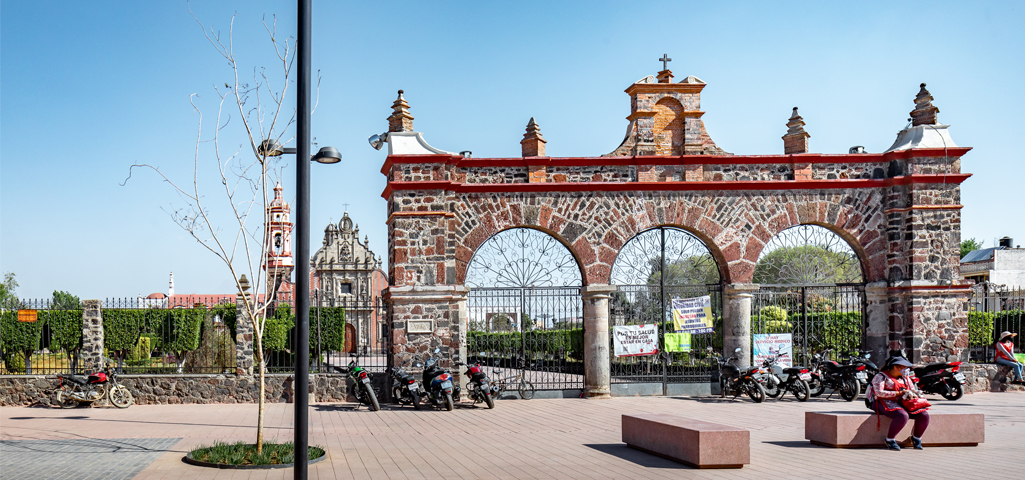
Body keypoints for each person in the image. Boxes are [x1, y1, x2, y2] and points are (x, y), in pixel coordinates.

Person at [867, 356, 930, 450]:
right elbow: (879, 393)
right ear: (896, 367)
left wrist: (914, 395)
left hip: (903, 402)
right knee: (902, 415)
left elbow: (912, 389)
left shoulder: (906, 378)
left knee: (924, 415)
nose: (907, 370)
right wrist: (899, 393)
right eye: (905, 367)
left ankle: (916, 438)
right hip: (883, 402)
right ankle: (890, 439)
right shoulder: (881, 377)